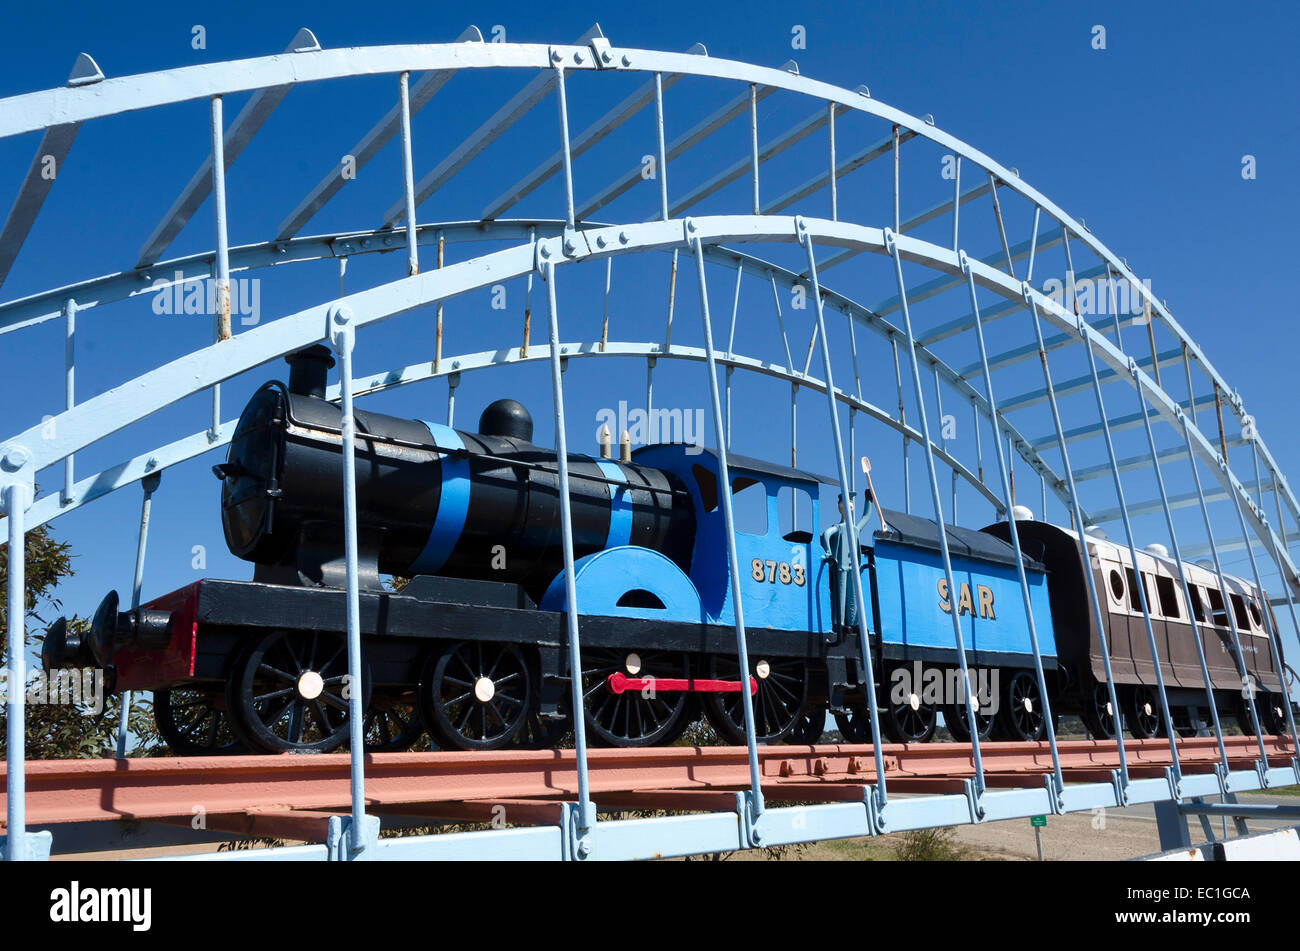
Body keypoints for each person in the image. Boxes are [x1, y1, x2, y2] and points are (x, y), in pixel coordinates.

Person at [820, 491, 874, 630]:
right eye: (845, 502)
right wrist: (829, 553)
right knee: (840, 593)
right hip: (841, 566)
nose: (849, 505)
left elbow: (866, 517)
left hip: (853, 567)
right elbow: (826, 534)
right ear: (839, 506)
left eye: (851, 502)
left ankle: (853, 621)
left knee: (853, 594)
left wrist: (869, 500)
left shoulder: (855, 528)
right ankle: (839, 622)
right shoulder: (839, 527)